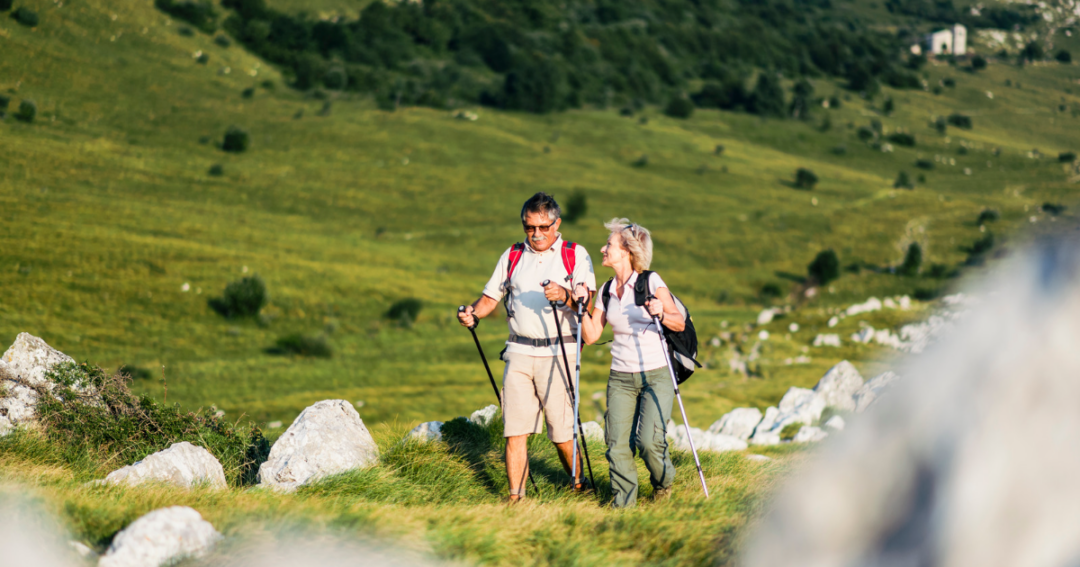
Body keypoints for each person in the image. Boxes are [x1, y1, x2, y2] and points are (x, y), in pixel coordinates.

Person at [458, 192, 597, 502]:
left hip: (559, 351)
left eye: (543, 227)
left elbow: (586, 302)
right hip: (519, 351)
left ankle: (578, 483)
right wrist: (472, 313)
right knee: (515, 430)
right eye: (529, 227)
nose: (536, 234)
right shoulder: (512, 255)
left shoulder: (575, 254)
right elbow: (491, 297)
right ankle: (515, 499)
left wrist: (564, 295)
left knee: (561, 434)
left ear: (557, 223)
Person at [572, 218, 685, 508]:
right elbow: (592, 333)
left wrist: (661, 311)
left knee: (648, 442)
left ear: (626, 251)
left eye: (608, 245)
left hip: (656, 374)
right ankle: (624, 506)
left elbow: (679, 323)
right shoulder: (608, 289)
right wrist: (579, 305)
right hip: (620, 377)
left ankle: (663, 482)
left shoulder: (651, 281)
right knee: (617, 444)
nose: (602, 249)